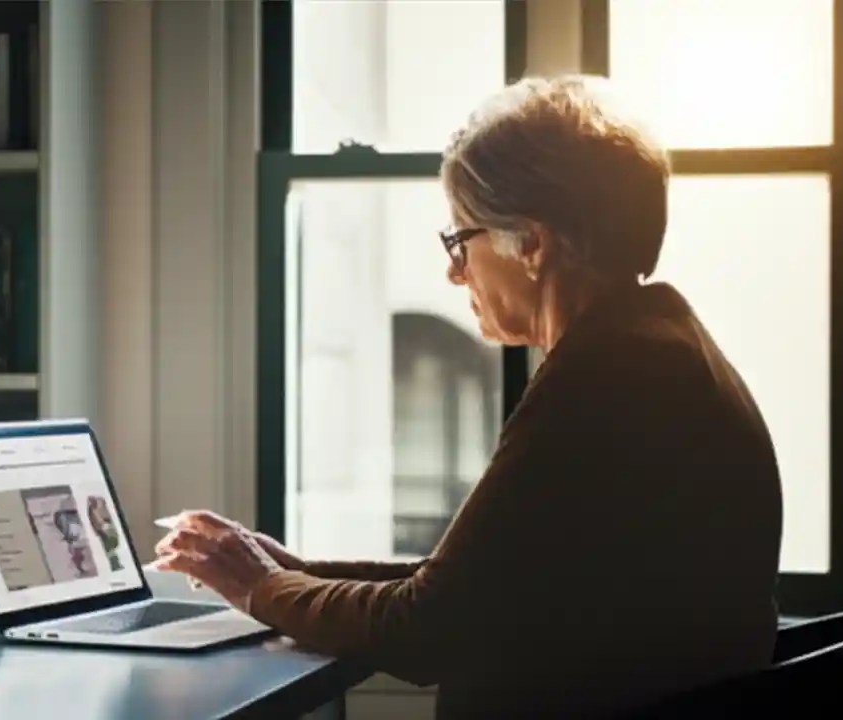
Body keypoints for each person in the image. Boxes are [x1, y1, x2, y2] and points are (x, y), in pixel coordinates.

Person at [154, 75, 782, 719]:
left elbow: (430, 628)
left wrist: (263, 589)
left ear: (531, 245)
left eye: (461, 240)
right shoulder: (655, 343)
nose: (455, 272)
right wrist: (298, 574)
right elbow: (481, 583)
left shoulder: (609, 375)